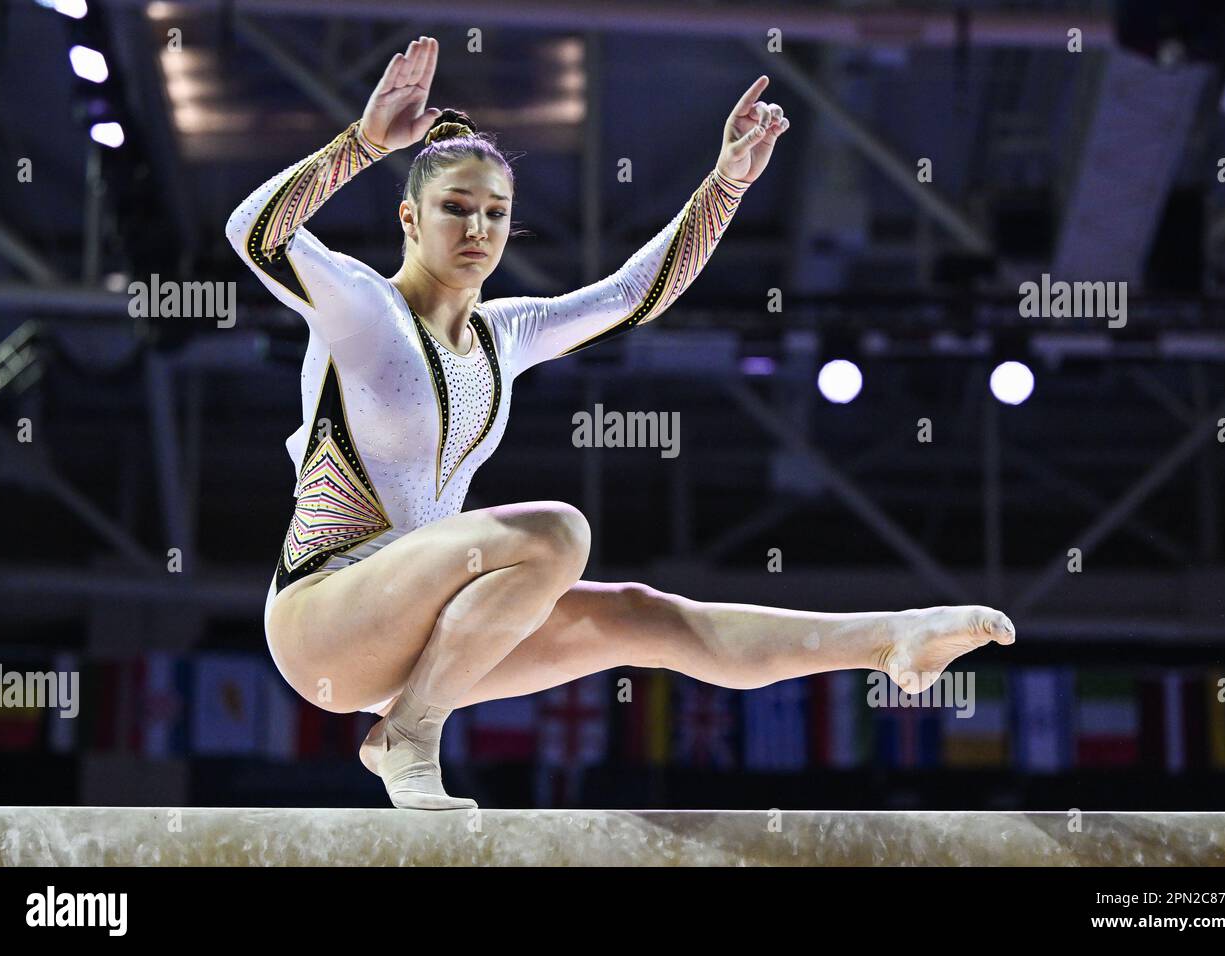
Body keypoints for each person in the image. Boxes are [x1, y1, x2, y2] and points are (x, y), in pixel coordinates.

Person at [225, 36, 1015, 810]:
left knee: (639, 614)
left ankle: (887, 640)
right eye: (454, 209)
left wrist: (727, 187)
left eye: (495, 213)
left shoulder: (508, 333)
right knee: (556, 535)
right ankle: (409, 734)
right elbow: (252, 232)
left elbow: (634, 294)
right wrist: (361, 144)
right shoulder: (363, 307)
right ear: (409, 215)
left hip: (417, 637)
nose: (476, 230)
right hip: (324, 616)